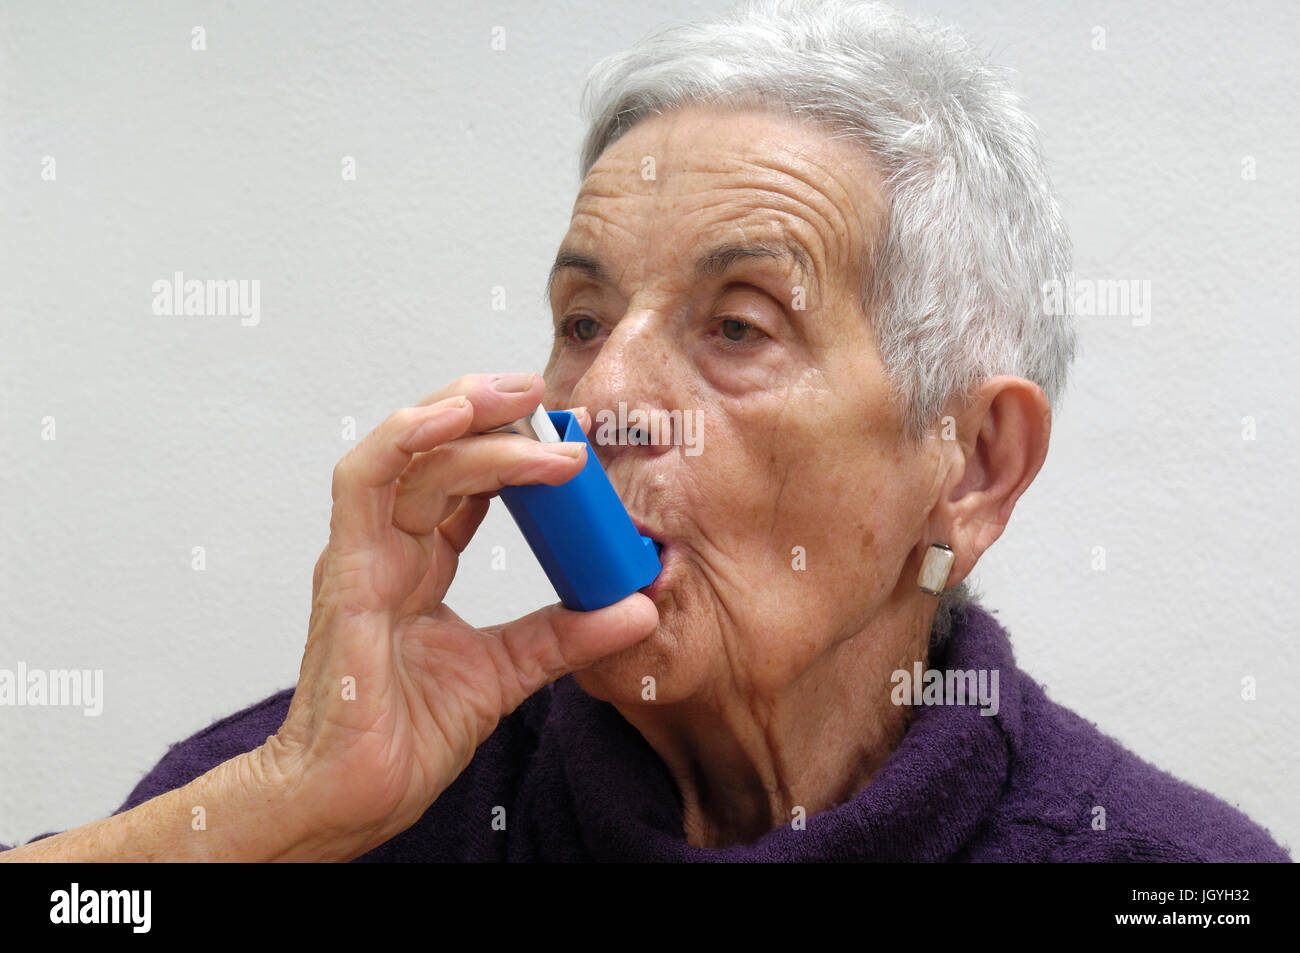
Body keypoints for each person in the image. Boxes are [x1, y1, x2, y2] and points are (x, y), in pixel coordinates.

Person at [3, 0, 1289, 862]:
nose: (599, 395)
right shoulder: (319, 790)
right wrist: (273, 809)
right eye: (581, 316)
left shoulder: (1168, 870)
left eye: (738, 325)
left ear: (975, 463)